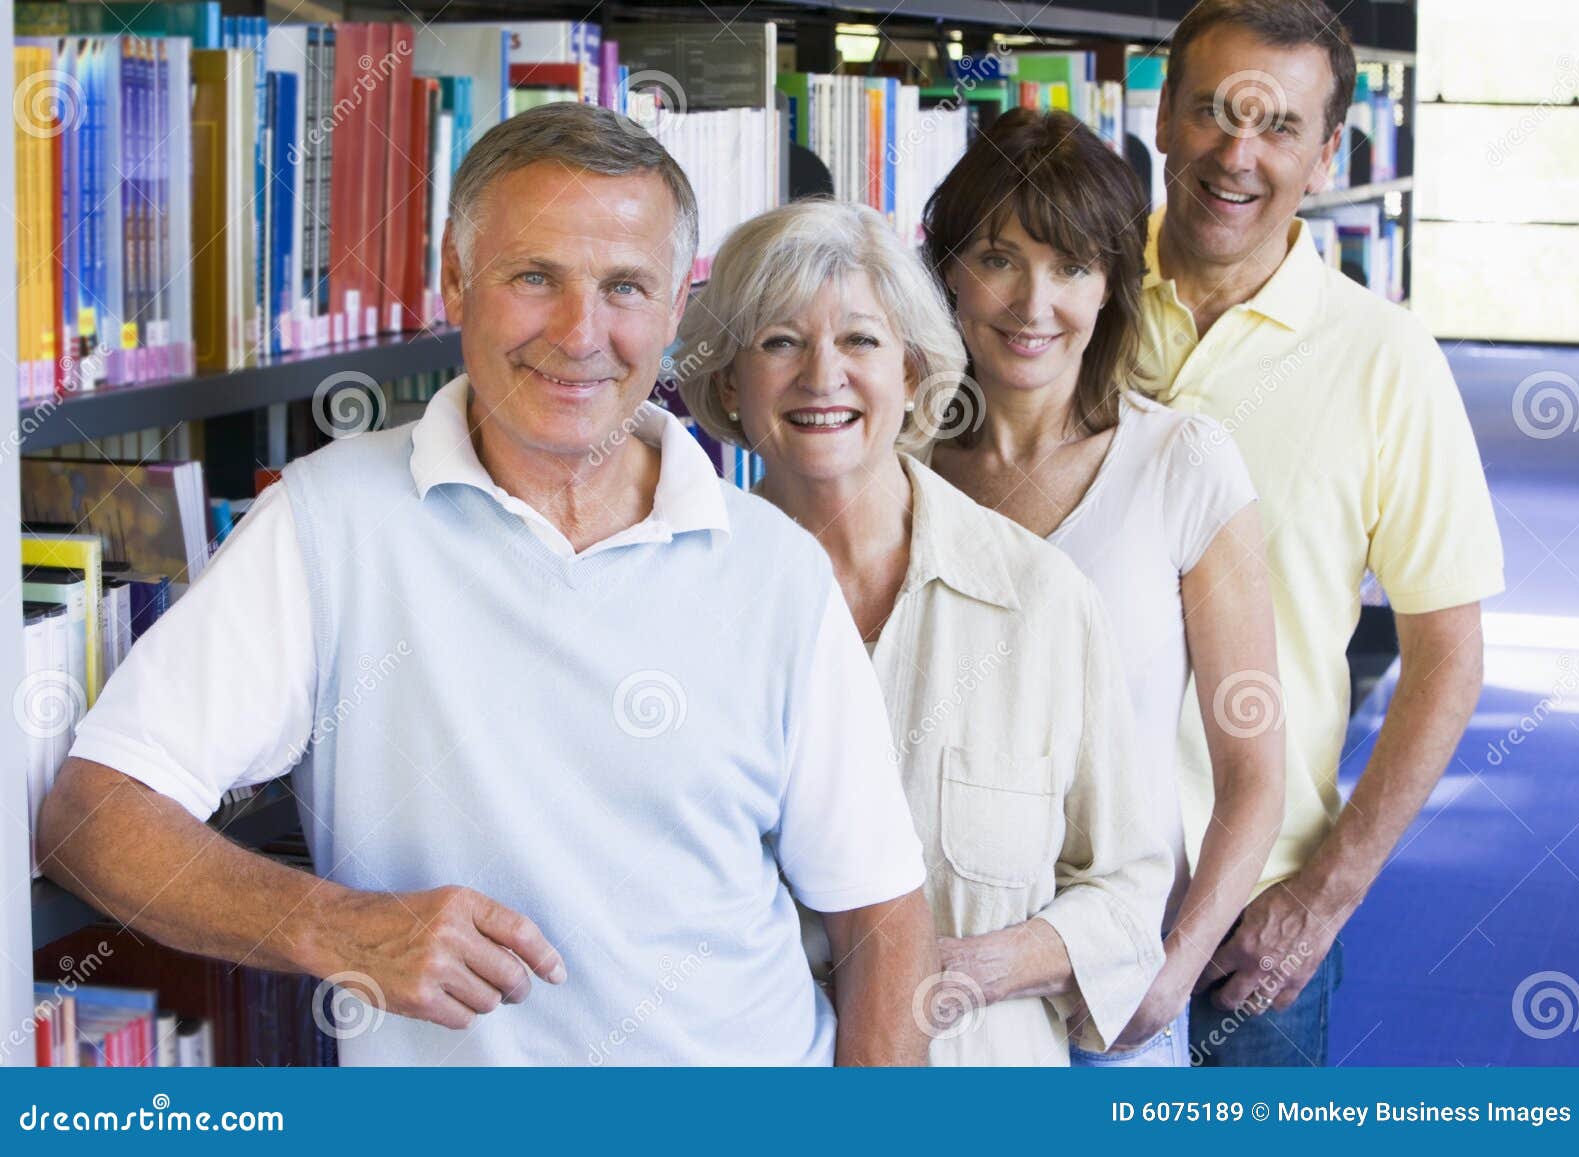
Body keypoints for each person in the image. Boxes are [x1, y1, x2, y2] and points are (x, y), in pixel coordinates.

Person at [36, 103, 938, 1067]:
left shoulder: (775, 568)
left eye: (625, 286)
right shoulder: (327, 522)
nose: (581, 332)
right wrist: (333, 927)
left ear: (677, 308)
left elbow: (880, 915)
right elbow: (94, 815)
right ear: (457, 280)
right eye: (535, 277)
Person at [677, 199, 1172, 1065]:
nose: (822, 376)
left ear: (912, 373)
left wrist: (944, 973)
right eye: (780, 342)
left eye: (861, 342)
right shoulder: (678, 607)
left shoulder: (1041, 602)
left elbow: (1129, 894)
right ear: (728, 385)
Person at [1142, 0, 1503, 1064]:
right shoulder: (1061, 310)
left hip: (1246, 919)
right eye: (1211, 110)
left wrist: (1321, 895)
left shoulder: (1383, 357)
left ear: (1325, 152)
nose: (1235, 154)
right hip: (1041, 898)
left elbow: (1448, 654)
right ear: (1160, 117)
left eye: (1278, 126)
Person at [922, 108, 1285, 1067]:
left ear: (1114, 284)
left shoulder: (1183, 463)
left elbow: (1253, 777)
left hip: (1102, 997)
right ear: (949, 268)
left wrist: (1170, 973)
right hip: (926, 982)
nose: (1033, 303)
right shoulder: (892, 465)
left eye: (1073, 266)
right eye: (1000, 258)